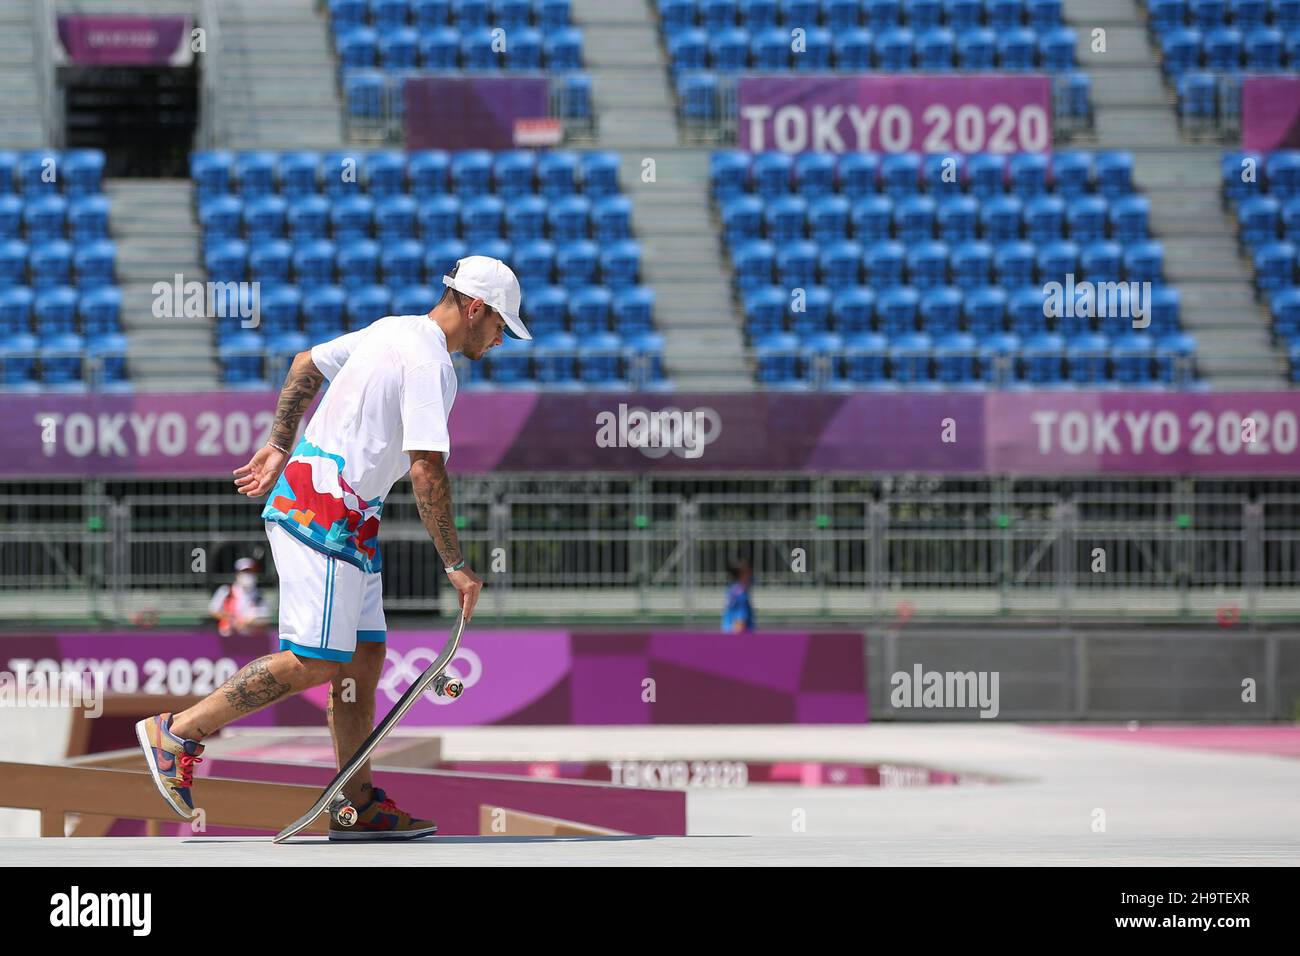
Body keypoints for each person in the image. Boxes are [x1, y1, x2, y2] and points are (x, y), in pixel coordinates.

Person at [135, 256, 529, 841]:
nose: (501, 339)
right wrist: (456, 565)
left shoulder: (390, 329)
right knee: (316, 660)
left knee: (366, 657)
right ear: (475, 307)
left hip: (348, 515)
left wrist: (277, 444)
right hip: (323, 512)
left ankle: (355, 802)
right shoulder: (431, 364)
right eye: (501, 325)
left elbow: (304, 364)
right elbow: (427, 470)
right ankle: (180, 730)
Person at [208, 557, 271, 636]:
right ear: (237, 574)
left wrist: (247, 622)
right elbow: (213, 610)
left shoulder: (258, 595)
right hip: (228, 636)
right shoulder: (226, 591)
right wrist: (230, 618)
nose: (248, 575)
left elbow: (264, 618)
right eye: (245, 572)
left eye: (250, 572)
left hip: (250, 638)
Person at [722, 559, 755, 633]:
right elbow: (739, 623)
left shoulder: (732, 590)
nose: (751, 575)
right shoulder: (741, 595)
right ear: (742, 574)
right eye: (749, 572)